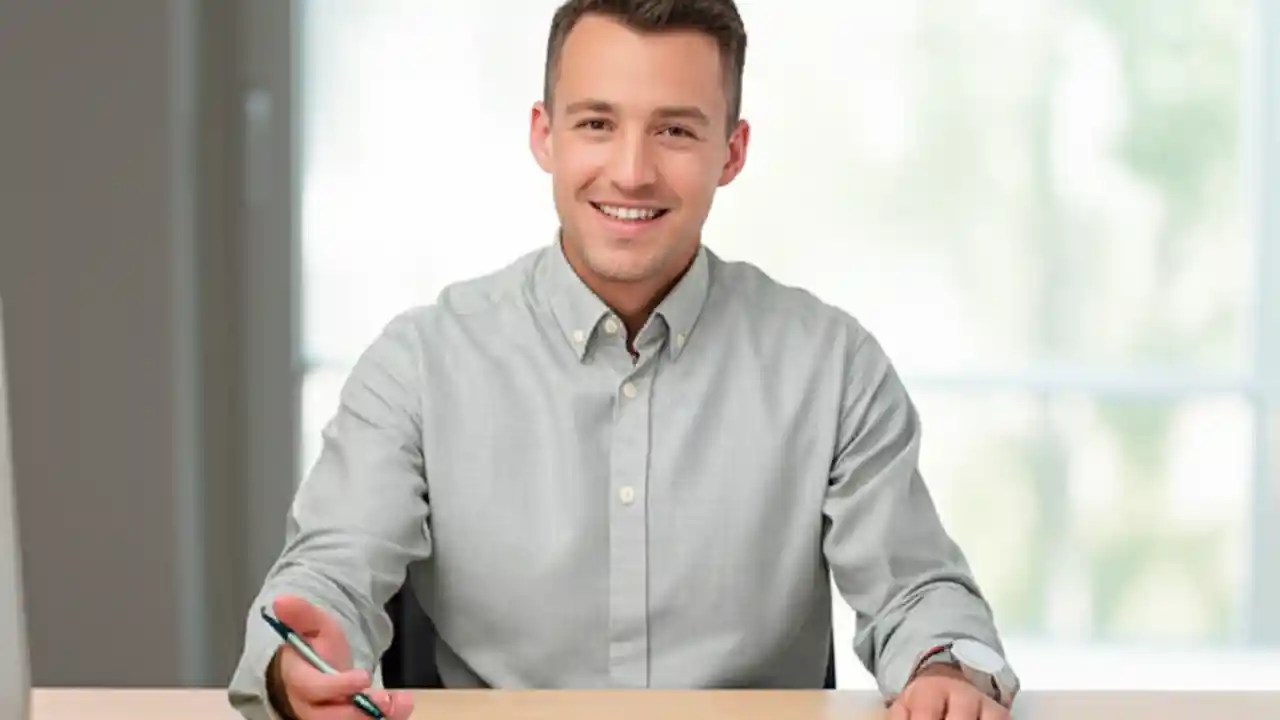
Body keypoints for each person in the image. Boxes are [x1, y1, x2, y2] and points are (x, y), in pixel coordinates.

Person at [229, 1, 1021, 718]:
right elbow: (328, 571)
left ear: (732, 151)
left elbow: (920, 592)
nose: (632, 171)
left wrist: (945, 667)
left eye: (675, 129)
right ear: (545, 134)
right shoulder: (420, 365)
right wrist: (302, 660)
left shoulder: (833, 367)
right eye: (597, 124)